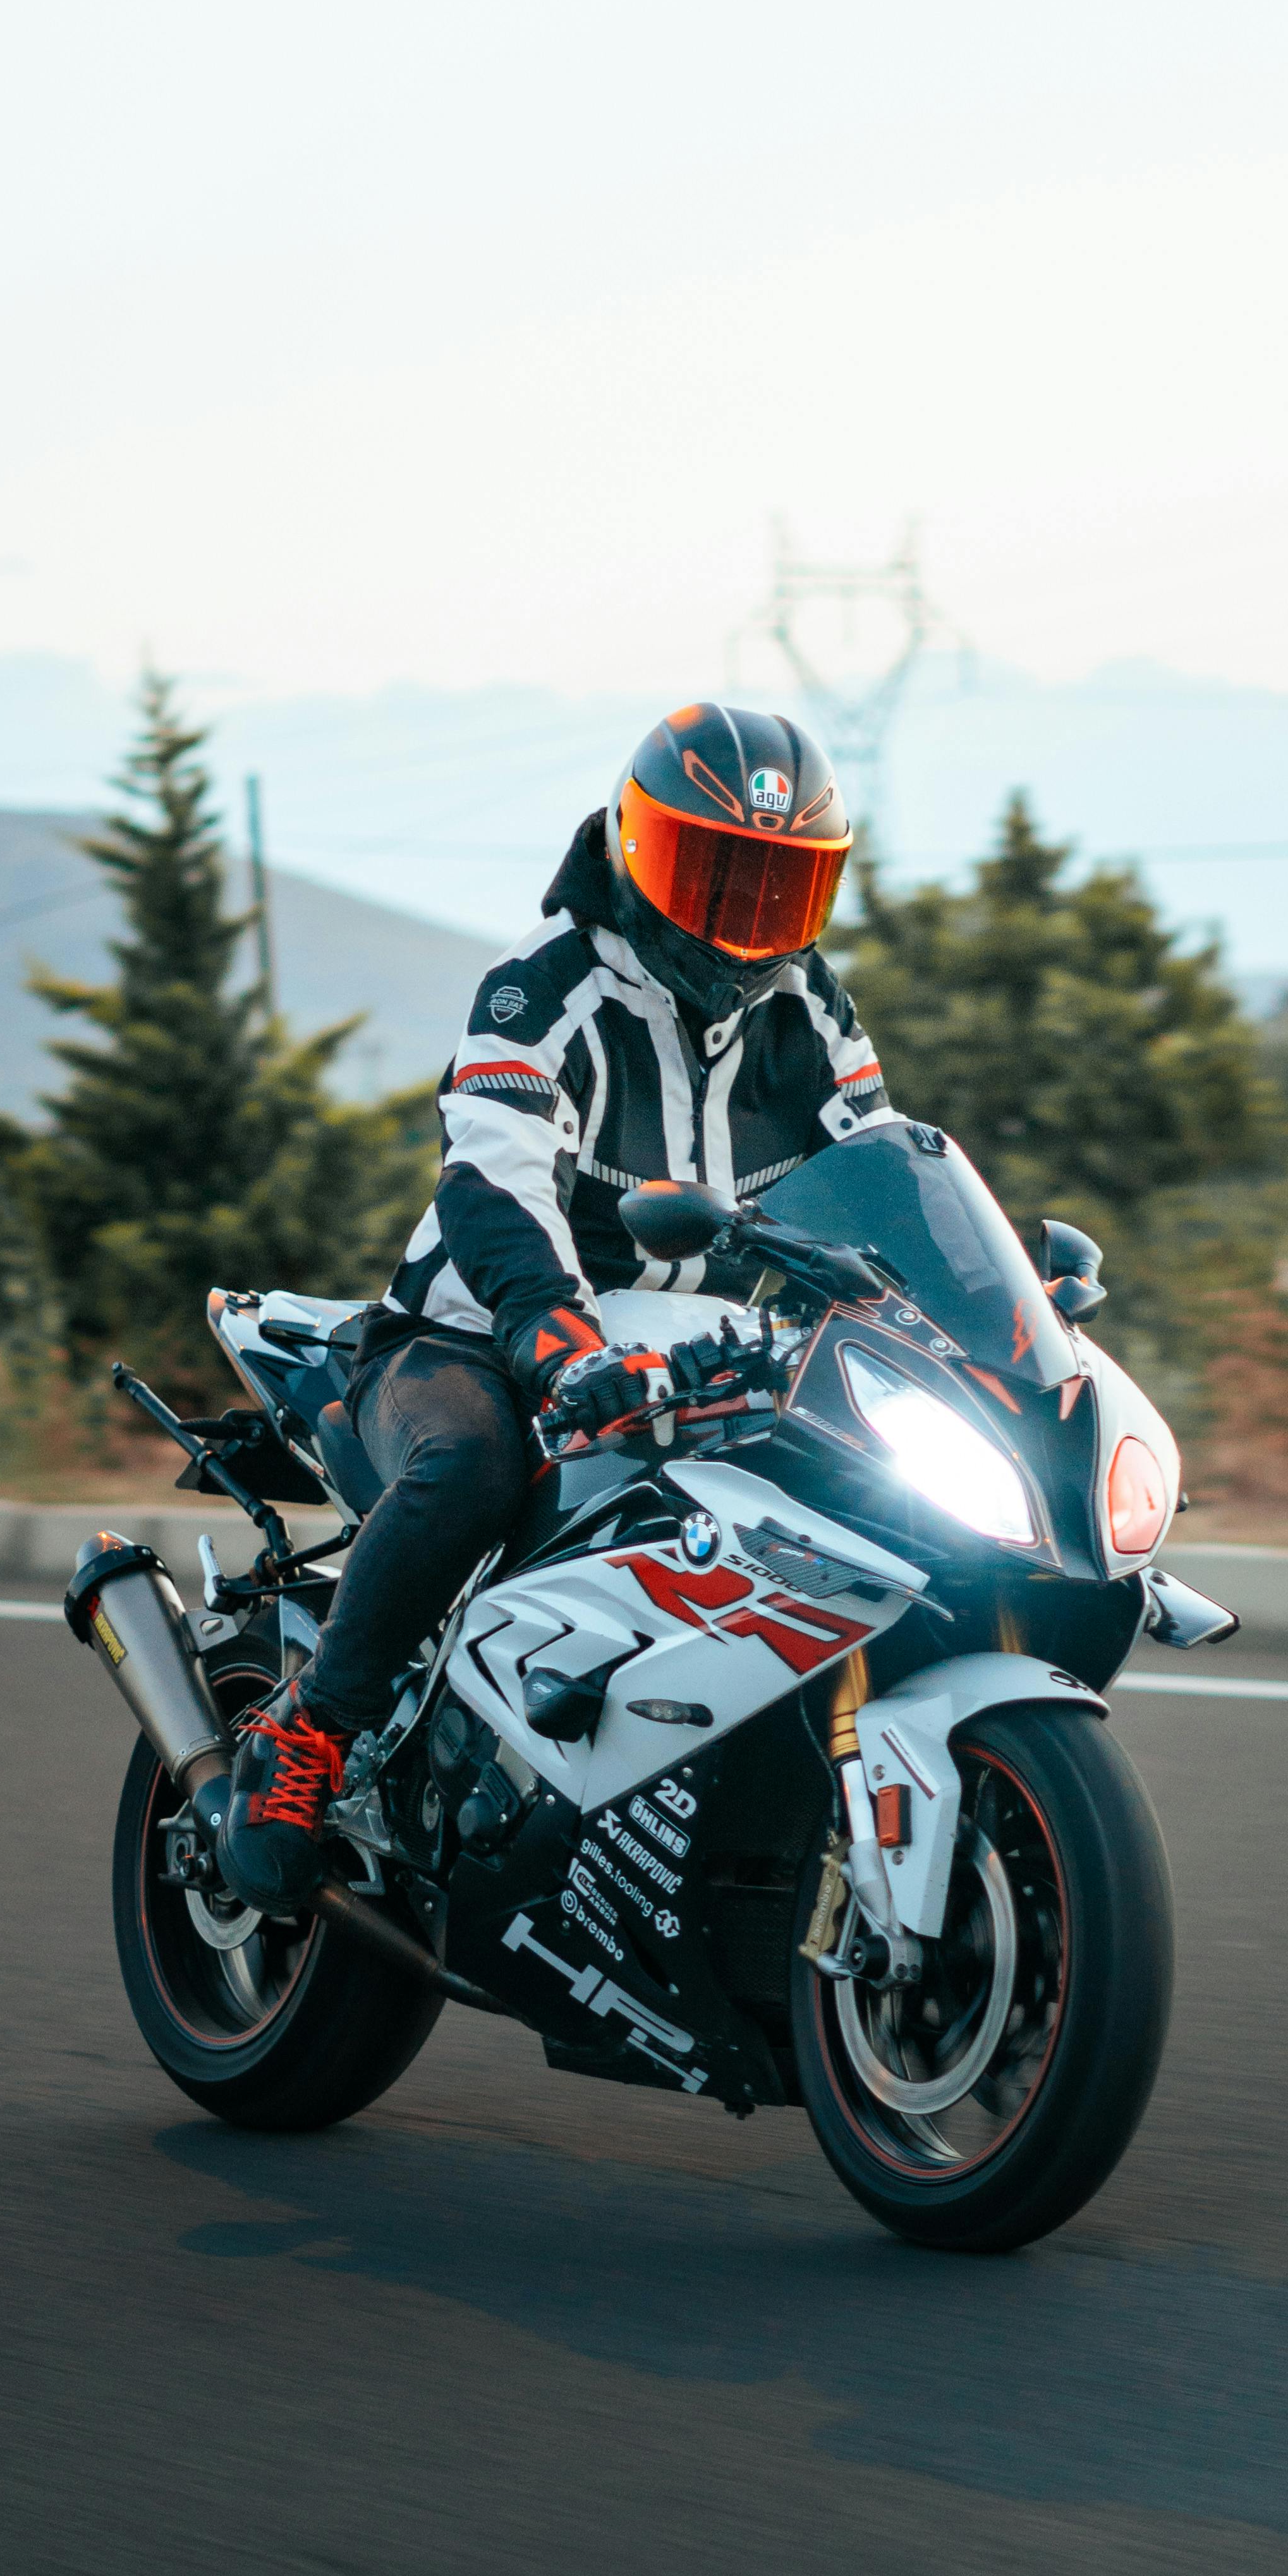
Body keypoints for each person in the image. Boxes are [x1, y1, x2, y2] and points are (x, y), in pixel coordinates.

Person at [217, 702, 889, 1900]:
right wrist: (554, 1335)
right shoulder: (542, 990)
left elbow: (879, 1164)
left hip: (703, 1355)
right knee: (470, 1467)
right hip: (475, 1337)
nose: (741, 923)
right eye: (712, 877)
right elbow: (495, 1176)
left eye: (774, 890)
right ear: (637, 850)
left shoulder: (812, 1010)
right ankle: (308, 1731)